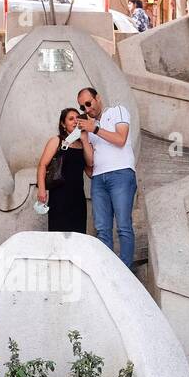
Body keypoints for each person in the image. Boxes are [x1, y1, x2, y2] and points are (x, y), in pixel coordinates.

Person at [76, 87, 137, 269]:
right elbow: (90, 165)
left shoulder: (117, 110)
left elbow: (120, 139)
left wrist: (94, 128)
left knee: (123, 226)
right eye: (82, 107)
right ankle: (107, 272)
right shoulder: (90, 127)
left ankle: (125, 272)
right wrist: (85, 138)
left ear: (98, 98)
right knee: (102, 229)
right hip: (98, 179)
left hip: (121, 174)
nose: (87, 109)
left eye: (89, 103)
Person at [35, 107, 93, 233]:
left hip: (78, 198)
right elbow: (42, 165)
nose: (75, 121)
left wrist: (84, 139)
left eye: (77, 119)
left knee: (78, 237)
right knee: (58, 236)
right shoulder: (57, 141)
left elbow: (90, 164)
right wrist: (41, 189)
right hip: (59, 197)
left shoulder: (83, 144)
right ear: (63, 124)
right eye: (71, 119)